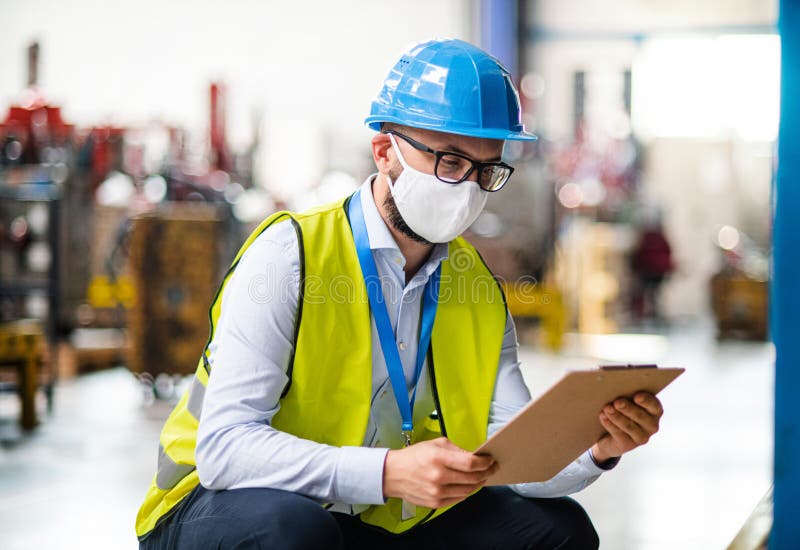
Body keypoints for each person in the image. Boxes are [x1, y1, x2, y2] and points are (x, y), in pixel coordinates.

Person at [135, 39, 665, 549]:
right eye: (451, 162)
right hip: (216, 505)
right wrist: (388, 473)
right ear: (385, 151)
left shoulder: (475, 286)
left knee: (557, 529)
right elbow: (225, 450)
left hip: (368, 512)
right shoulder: (290, 253)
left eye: (487, 171)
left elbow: (513, 457)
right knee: (291, 530)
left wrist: (595, 448)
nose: (467, 189)